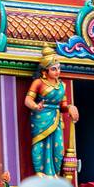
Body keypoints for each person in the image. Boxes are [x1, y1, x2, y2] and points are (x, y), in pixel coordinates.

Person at [25, 46, 78, 178]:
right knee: (40, 145)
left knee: (58, 148)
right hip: (41, 117)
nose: (57, 71)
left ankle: (54, 173)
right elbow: (27, 100)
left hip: (56, 117)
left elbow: (63, 105)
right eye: (53, 69)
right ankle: (40, 172)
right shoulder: (38, 82)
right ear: (45, 71)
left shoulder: (62, 85)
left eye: (58, 68)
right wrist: (36, 106)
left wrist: (70, 107)